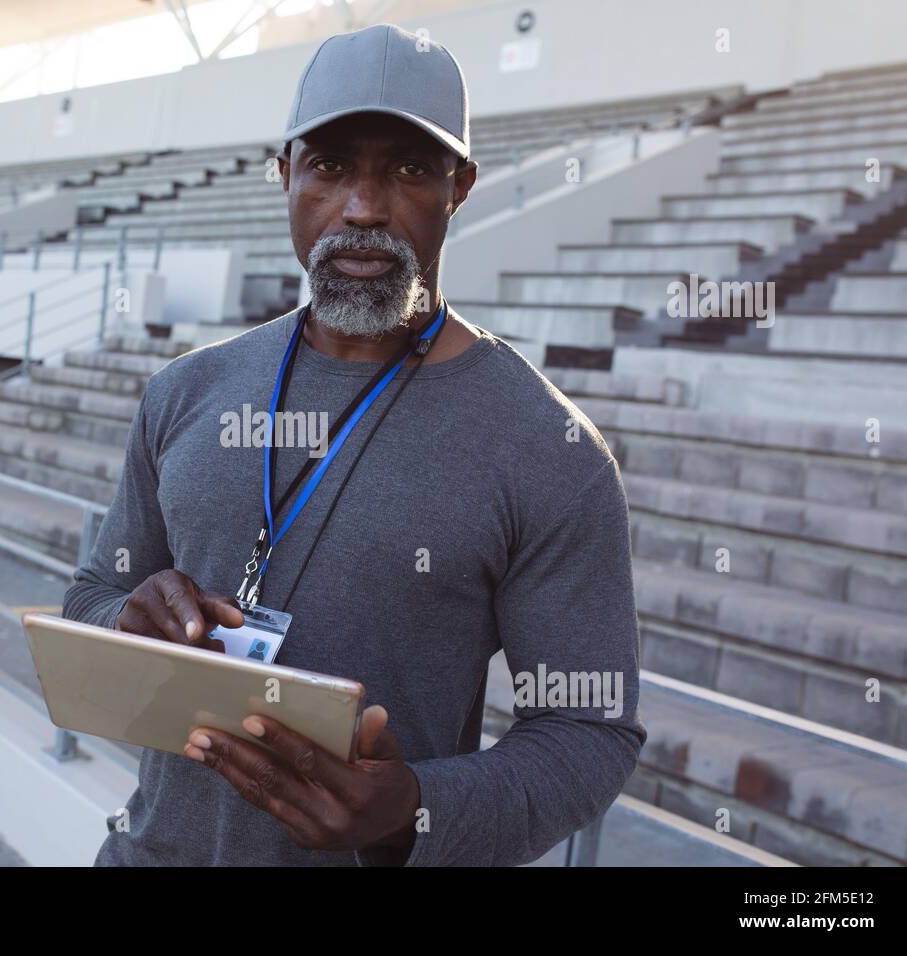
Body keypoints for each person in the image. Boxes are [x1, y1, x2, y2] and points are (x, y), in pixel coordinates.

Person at [61, 22, 645, 866]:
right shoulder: (184, 391)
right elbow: (92, 596)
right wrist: (128, 617)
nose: (364, 208)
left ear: (462, 187)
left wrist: (416, 810)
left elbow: (590, 731)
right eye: (331, 166)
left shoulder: (549, 448)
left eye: (409, 169)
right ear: (286, 174)